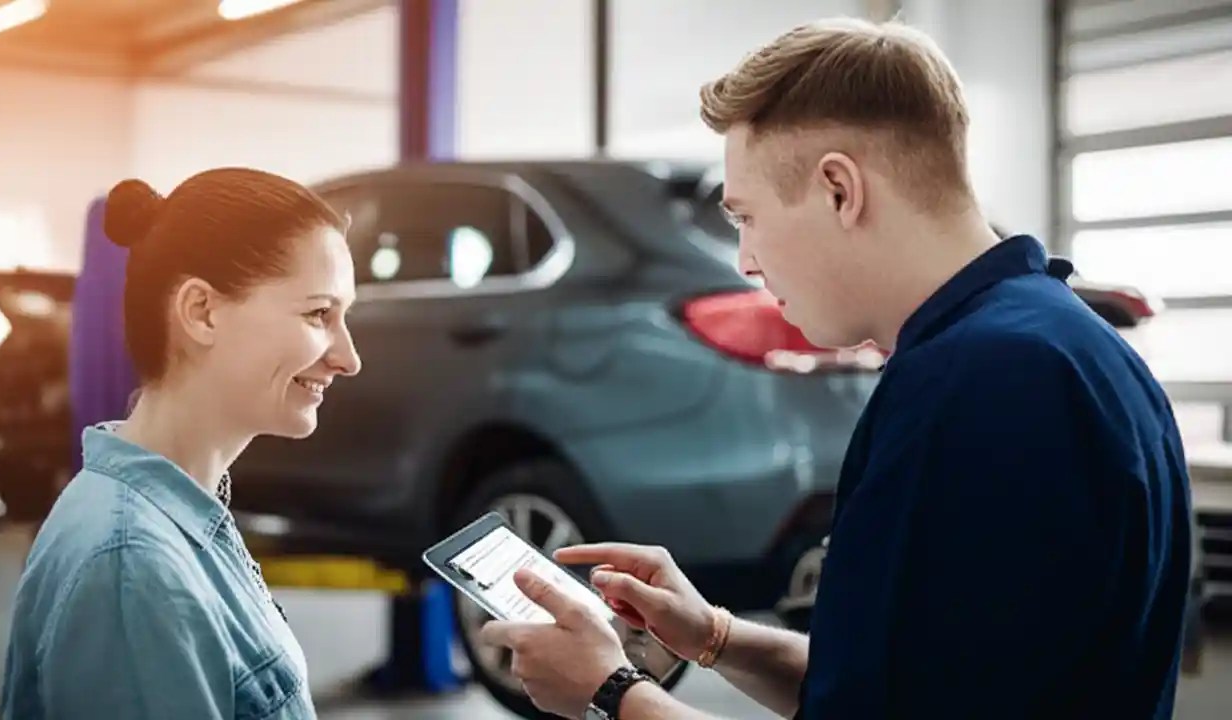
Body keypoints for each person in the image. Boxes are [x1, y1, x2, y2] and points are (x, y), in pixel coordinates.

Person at [480, 17, 1192, 720]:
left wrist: (611, 692)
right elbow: (907, 686)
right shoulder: (1060, 343)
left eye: (745, 218)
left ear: (839, 190)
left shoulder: (978, 385)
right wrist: (714, 635)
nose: (746, 261)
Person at [1, 168, 361, 719]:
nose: (348, 358)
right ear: (201, 312)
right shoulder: (131, 569)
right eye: (319, 314)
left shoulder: (179, 518)